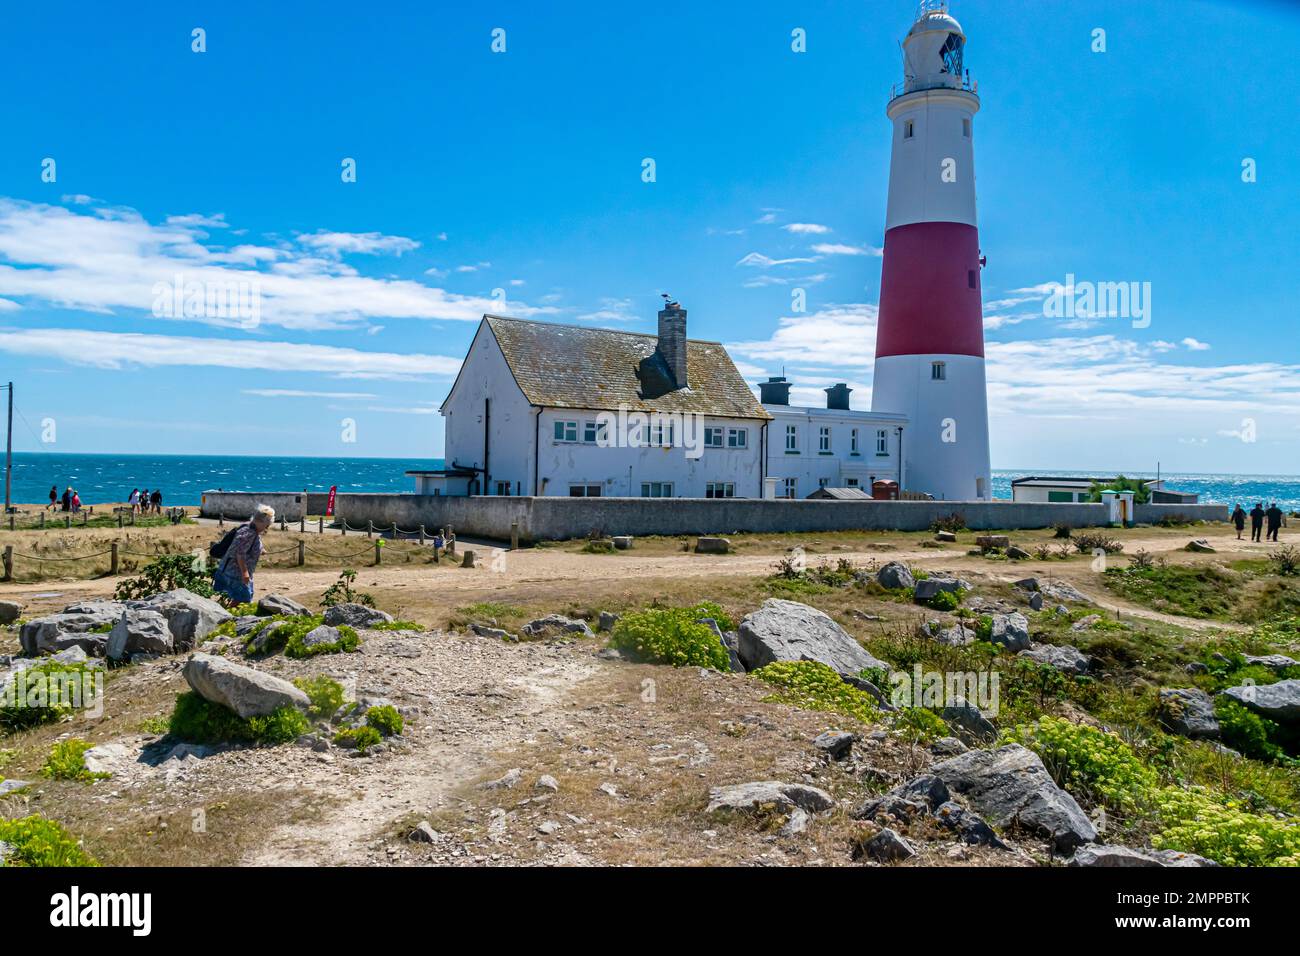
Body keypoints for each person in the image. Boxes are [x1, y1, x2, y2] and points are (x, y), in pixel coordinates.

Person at [212, 504, 273, 604]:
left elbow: (248, 546)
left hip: (233, 570)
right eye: (267, 525)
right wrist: (245, 573)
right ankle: (231, 618)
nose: (267, 528)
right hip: (236, 572)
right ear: (261, 522)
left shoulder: (249, 528)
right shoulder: (250, 533)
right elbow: (240, 553)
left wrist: (260, 550)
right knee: (242, 599)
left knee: (241, 599)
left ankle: (232, 616)